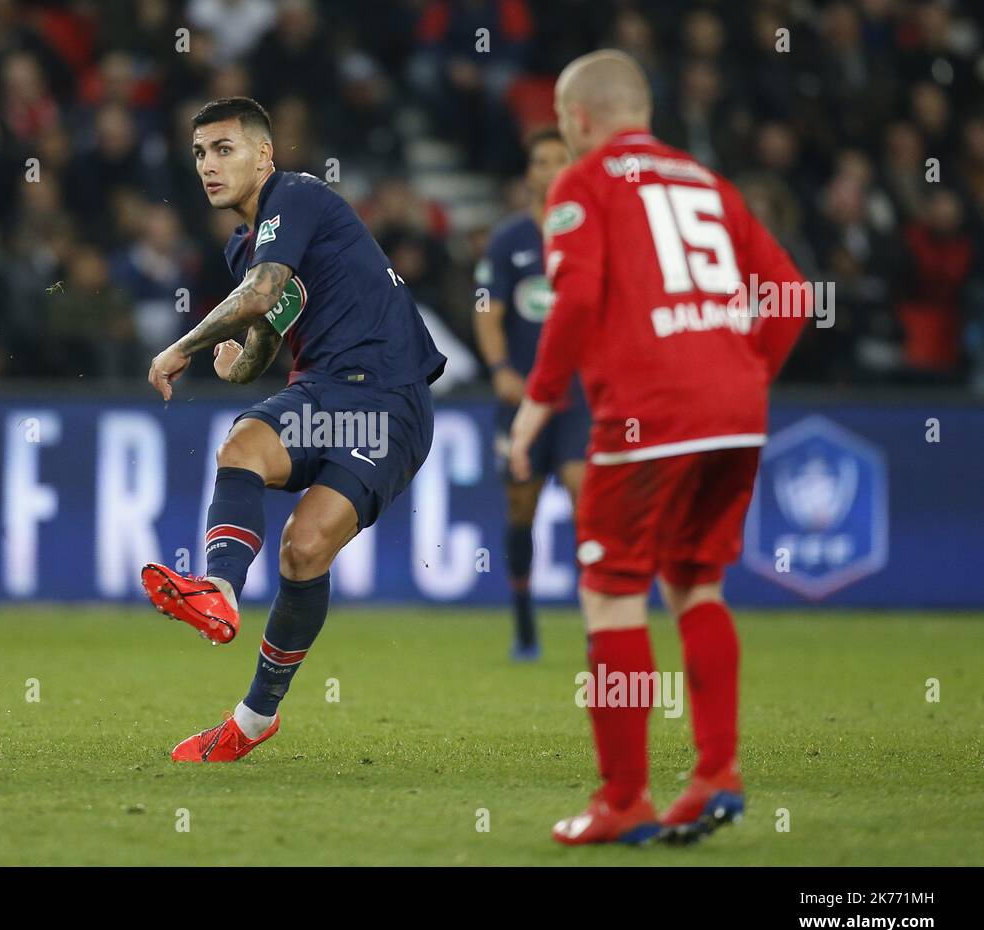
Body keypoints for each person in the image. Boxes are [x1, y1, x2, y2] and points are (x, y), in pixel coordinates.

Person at [509, 51, 808, 845]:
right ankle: (716, 771)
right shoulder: (708, 182)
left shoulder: (584, 182)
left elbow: (572, 300)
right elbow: (792, 297)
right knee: (695, 584)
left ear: (575, 120)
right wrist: (741, 376)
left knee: (610, 591)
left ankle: (624, 799)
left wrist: (539, 403)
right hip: (734, 414)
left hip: (650, 414)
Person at [142, 97, 446, 762]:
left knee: (275, 499)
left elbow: (258, 295)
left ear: (264, 155)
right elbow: (265, 331)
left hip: (389, 397)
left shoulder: (298, 194)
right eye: (199, 154)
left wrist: (182, 349)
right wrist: (237, 363)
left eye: (224, 149)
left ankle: (233, 640)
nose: (208, 166)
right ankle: (240, 675)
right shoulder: (242, 247)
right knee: (277, 506)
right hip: (325, 390)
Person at [473, 127, 587, 662]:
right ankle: (524, 626)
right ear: (530, 173)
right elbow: (487, 311)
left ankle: (599, 630)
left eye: (561, 161)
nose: (551, 170)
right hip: (522, 395)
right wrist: (499, 367)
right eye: (542, 161)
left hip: (579, 394)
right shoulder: (509, 239)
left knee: (584, 494)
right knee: (523, 505)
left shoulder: (594, 234)